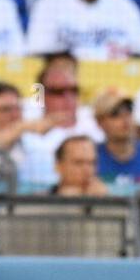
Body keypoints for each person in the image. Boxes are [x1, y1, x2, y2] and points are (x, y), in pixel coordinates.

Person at [17, 55, 105, 186]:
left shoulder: (93, 119)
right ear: (41, 94)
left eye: (73, 90)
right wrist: (22, 128)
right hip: (33, 196)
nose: (68, 97)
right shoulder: (24, 116)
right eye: (58, 91)